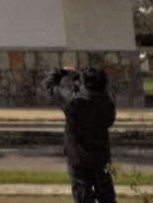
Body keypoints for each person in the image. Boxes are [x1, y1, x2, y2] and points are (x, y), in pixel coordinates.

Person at [44, 64, 117, 203]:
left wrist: (62, 72)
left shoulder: (73, 102)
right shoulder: (108, 105)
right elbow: (108, 120)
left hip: (78, 159)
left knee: (82, 197)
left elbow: (49, 84)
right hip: (100, 157)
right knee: (107, 197)